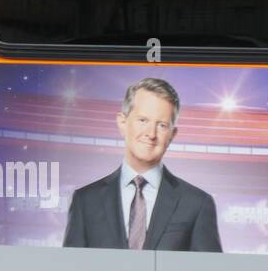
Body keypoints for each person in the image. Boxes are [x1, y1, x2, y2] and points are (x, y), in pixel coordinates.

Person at [63, 78, 222, 252]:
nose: (151, 134)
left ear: (172, 134)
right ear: (122, 123)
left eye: (161, 125)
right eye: (143, 121)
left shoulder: (197, 204)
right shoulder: (85, 201)